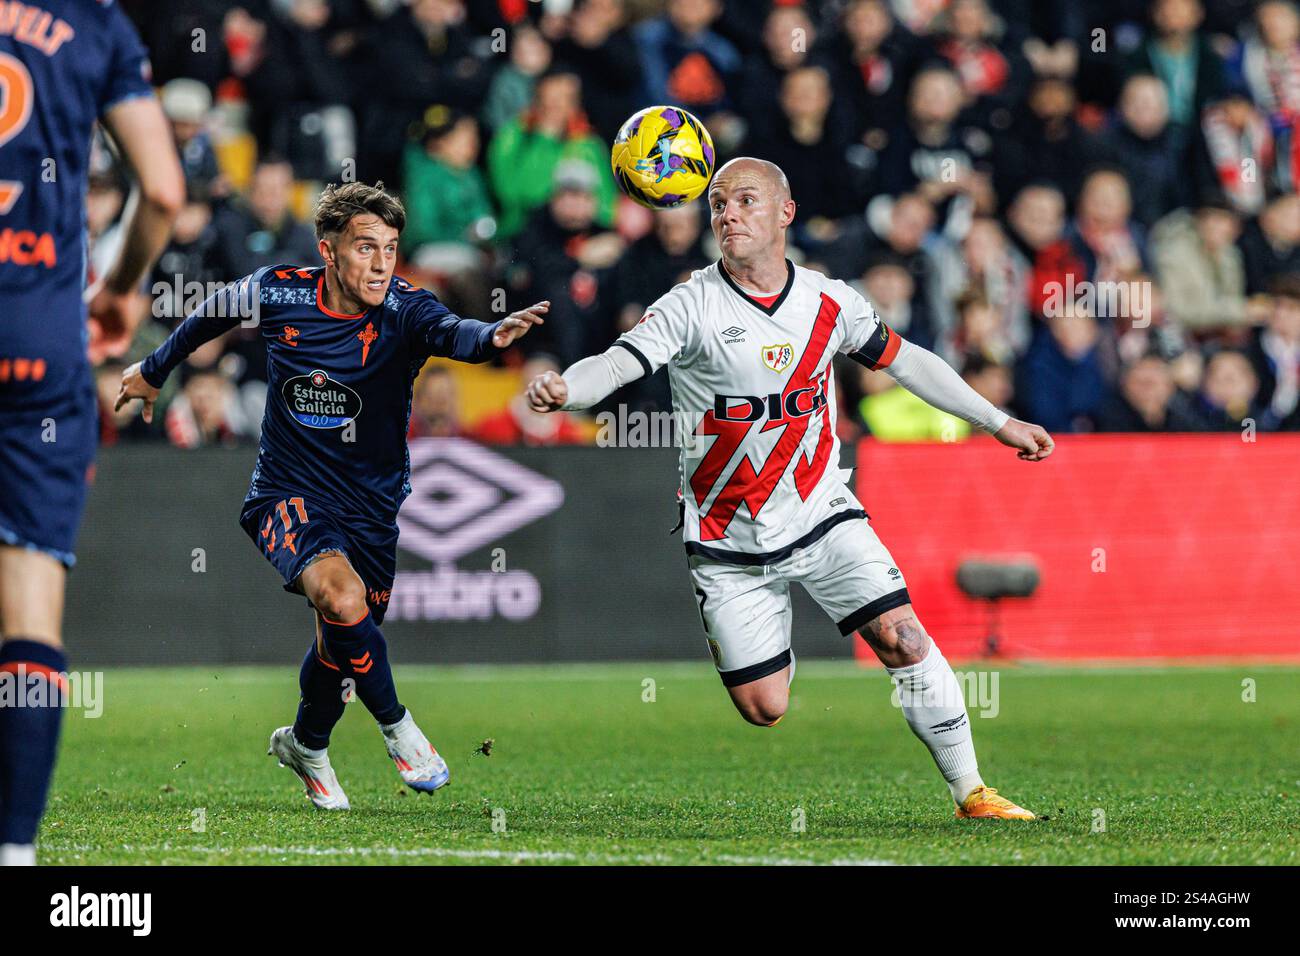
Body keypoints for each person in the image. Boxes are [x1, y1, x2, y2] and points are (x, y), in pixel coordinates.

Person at [525, 158, 1052, 820]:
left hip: (822, 512)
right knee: (765, 707)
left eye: (746, 200)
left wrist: (999, 422)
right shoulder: (690, 303)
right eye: (718, 204)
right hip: (727, 534)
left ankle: (972, 793)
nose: (728, 214)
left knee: (902, 636)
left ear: (785, 213)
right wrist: (567, 388)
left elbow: (909, 361)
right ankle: (767, 636)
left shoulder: (829, 301)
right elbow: (616, 364)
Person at [116, 183, 546, 809]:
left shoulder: (405, 310)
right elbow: (213, 311)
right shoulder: (281, 291)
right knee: (343, 601)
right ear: (329, 251)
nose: (380, 263)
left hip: (371, 508)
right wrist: (154, 369)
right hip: (285, 492)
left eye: (390, 249)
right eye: (365, 247)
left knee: (341, 646)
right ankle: (399, 729)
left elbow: (457, 334)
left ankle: (307, 744)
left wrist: (492, 336)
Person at [0, 0, 184, 866]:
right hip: (38, 345)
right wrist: (119, 289)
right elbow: (165, 191)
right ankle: (15, 855)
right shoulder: (95, 23)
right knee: (29, 613)